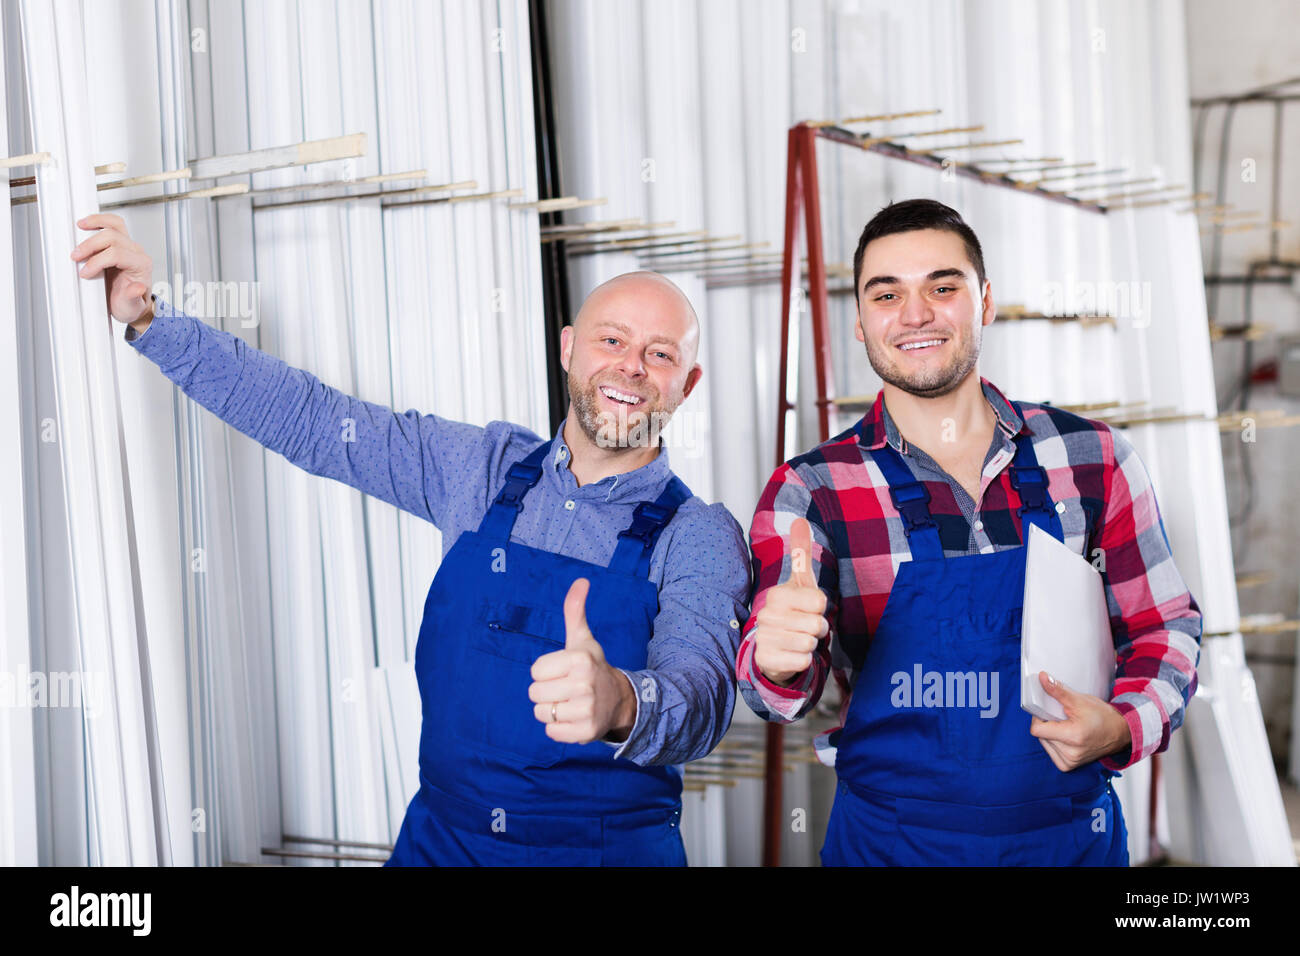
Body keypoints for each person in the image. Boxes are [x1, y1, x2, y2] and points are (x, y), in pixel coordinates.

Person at [71, 213, 750, 866]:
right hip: (441, 844)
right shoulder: (479, 470)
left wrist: (621, 703)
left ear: (685, 385)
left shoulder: (698, 535)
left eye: (659, 355)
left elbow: (704, 695)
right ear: (569, 348)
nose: (631, 367)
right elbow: (312, 419)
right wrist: (148, 318)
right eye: (612, 341)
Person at [736, 198, 1202, 866]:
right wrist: (778, 659)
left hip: (1068, 842)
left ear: (984, 301)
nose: (916, 314)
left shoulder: (1094, 458)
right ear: (861, 325)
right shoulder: (810, 491)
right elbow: (772, 692)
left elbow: (1165, 627)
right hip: (893, 847)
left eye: (943, 287)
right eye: (887, 294)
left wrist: (1123, 725)